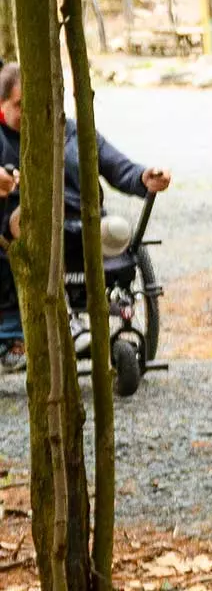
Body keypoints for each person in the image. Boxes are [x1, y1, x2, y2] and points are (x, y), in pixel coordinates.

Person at [0, 62, 172, 372]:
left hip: (85, 226)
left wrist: (145, 177)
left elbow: (118, 166)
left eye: (36, 103)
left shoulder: (75, 132)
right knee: (26, 221)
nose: (29, 112)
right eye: (19, 105)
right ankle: (55, 324)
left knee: (120, 230)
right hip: (25, 233)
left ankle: (106, 318)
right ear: (1, 106)